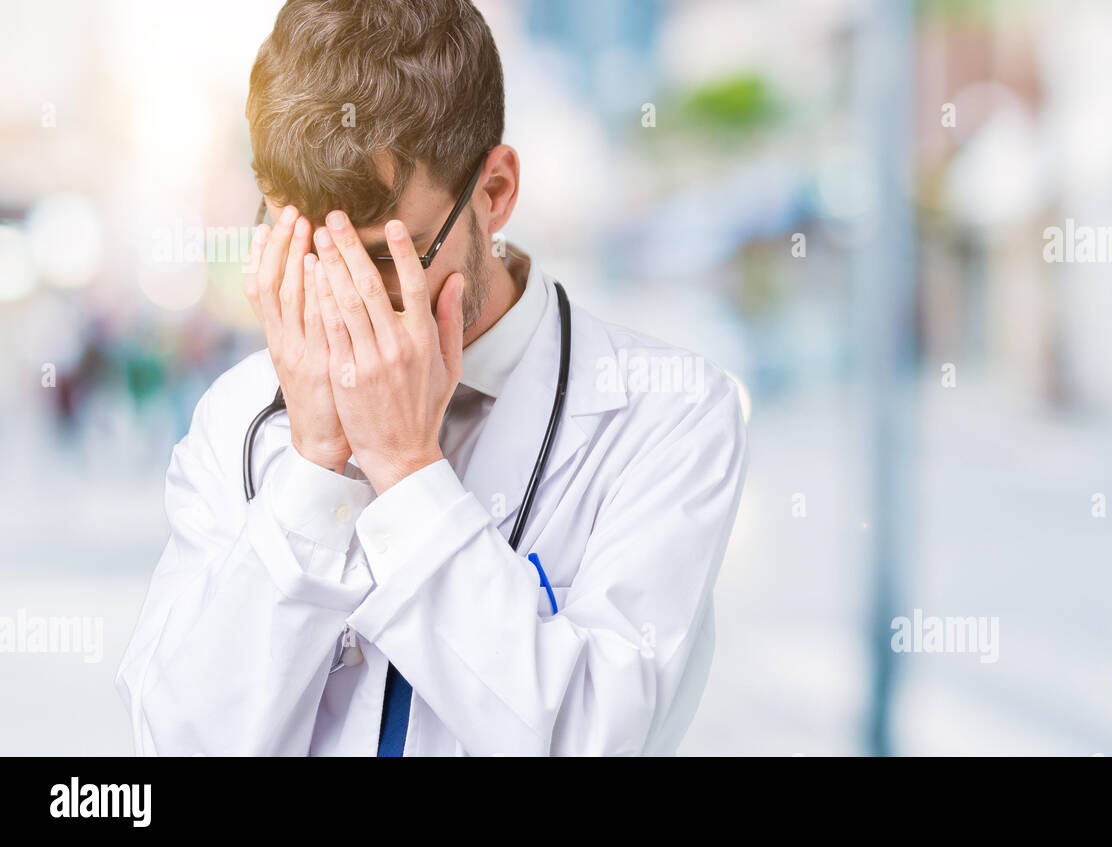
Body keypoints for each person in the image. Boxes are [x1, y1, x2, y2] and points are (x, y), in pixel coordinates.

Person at [115, 0, 748, 756]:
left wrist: (406, 469)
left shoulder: (667, 413)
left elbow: (591, 738)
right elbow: (179, 746)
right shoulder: (239, 418)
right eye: (303, 250)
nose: (340, 299)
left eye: (384, 259)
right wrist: (314, 472)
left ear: (496, 192)